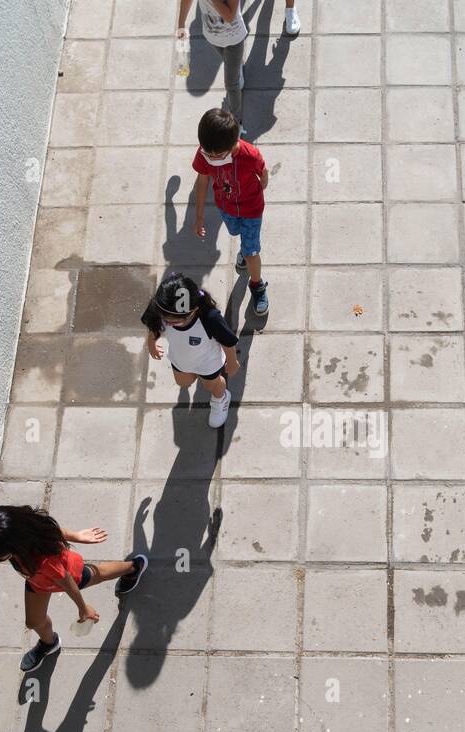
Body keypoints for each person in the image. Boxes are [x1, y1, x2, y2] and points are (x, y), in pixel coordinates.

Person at [0, 506, 149, 673]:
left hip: (70, 575)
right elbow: (47, 529)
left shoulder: (45, 562)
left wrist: (83, 608)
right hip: (38, 582)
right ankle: (49, 643)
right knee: (33, 622)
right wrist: (77, 536)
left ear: (16, 546)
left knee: (98, 574)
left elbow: (67, 582)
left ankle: (133, 568)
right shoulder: (19, 528)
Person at [193, 107, 270, 315]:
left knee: (251, 251)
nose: (210, 157)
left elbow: (263, 173)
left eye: (215, 155)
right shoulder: (206, 153)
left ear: (231, 145)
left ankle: (257, 285)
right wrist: (199, 216)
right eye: (207, 152)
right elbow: (202, 180)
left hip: (251, 209)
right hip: (226, 207)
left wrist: (262, 186)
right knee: (235, 233)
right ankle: (244, 254)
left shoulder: (250, 155)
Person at [143, 272, 240, 428]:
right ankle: (200, 379)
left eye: (175, 322)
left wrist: (232, 361)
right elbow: (153, 328)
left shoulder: (210, 318)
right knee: (183, 382)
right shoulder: (159, 309)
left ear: (194, 310)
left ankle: (221, 398)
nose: (168, 324)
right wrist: (151, 343)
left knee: (211, 385)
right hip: (180, 359)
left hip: (208, 362)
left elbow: (228, 342)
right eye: (166, 319)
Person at [177, 0, 247, 121]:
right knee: (229, 63)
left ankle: (236, 123)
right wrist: (181, 25)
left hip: (234, 40)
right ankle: (235, 67)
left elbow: (230, 17)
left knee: (231, 84)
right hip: (212, 36)